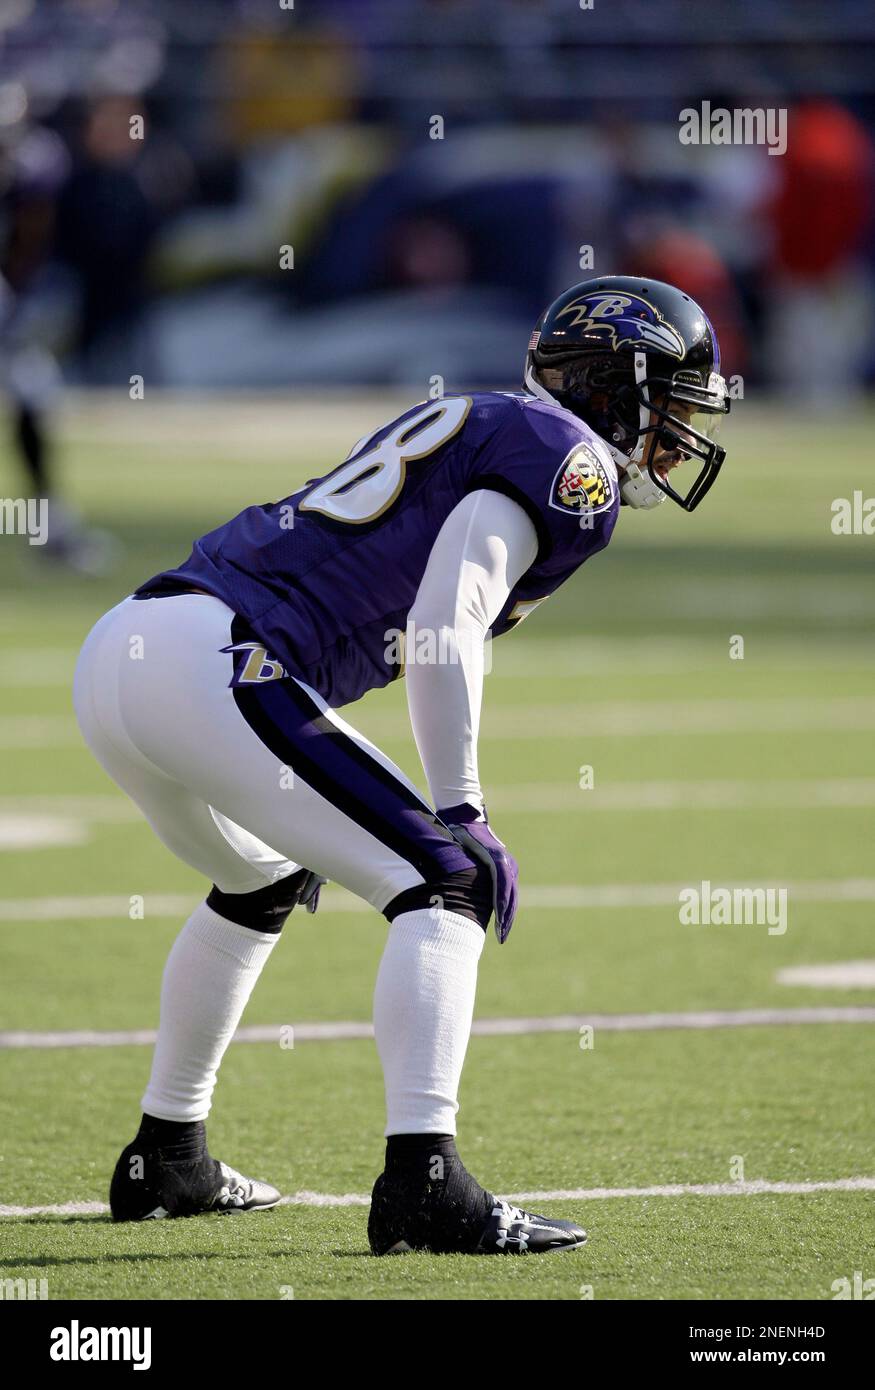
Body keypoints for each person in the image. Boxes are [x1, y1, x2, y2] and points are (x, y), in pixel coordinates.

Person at [73, 276, 730, 1255]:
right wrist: (461, 804)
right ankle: (425, 1181)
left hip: (129, 647)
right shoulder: (569, 463)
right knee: (443, 881)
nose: (679, 428)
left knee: (258, 875)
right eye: (670, 398)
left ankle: (166, 1153)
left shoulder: (502, 423)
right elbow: (442, 623)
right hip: (219, 657)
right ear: (609, 386)